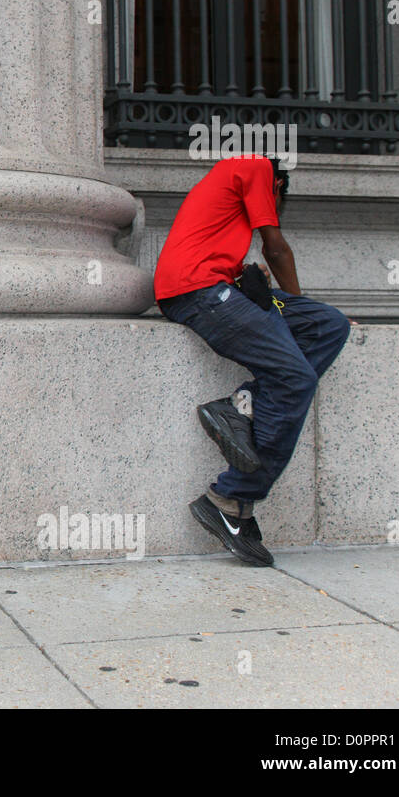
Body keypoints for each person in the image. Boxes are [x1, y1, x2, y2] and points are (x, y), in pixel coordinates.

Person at [154, 153, 350, 567]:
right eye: (276, 205)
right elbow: (275, 248)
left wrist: (284, 301)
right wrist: (287, 293)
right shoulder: (257, 167)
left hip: (221, 287)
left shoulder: (228, 193)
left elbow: (246, 258)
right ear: (277, 187)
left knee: (328, 324)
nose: (272, 212)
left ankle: (245, 402)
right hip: (197, 292)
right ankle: (230, 497)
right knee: (295, 378)